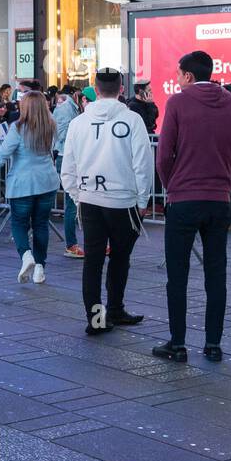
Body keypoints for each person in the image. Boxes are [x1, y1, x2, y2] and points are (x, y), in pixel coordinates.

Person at [153, 51, 231, 362]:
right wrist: (222, 178)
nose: (177, 80)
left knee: (177, 273)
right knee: (216, 272)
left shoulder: (177, 103)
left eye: (178, 74)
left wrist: (171, 185)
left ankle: (177, 343)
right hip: (218, 199)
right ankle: (213, 344)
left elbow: (164, 155)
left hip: (183, 198)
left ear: (188, 76)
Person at [58, 69, 152, 335]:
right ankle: (116, 308)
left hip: (89, 199)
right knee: (121, 258)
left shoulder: (79, 123)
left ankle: (96, 318)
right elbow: (143, 163)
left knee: (93, 260)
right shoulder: (132, 120)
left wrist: (77, 195)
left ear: (95, 90)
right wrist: (143, 198)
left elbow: (68, 166)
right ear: (121, 89)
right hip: (124, 200)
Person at [0, 91, 60, 285]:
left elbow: (1, 156)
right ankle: (40, 268)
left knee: (19, 223)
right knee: (41, 224)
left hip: (22, 184)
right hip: (47, 181)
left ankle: (26, 255)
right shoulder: (51, 126)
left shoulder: (18, 128)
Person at [53, 85, 84, 258]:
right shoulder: (67, 108)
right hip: (66, 156)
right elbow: (62, 133)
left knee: (75, 200)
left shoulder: (69, 106)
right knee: (71, 201)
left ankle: (74, 244)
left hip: (69, 155)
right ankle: (71, 244)